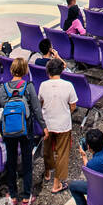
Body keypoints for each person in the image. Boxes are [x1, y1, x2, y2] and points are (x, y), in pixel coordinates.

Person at [0, 58, 44, 205]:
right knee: (27, 161)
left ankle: (12, 194)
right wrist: (44, 126)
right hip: (26, 129)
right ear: (25, 71)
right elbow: (37, 109)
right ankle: (26, 196)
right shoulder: (28, 87)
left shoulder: (4, 88)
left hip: (8, 130)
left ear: (11, 70)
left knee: (11, 161)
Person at [38, 59, 77, 194]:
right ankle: (57, 184)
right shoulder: (68, 85)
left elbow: (41, 102)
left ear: (48, 71)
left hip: (47, 123)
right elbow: (73, 106)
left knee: (47, 149)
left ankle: (47, 172)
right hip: (63, 124)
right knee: (62, 153)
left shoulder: (43, 85)